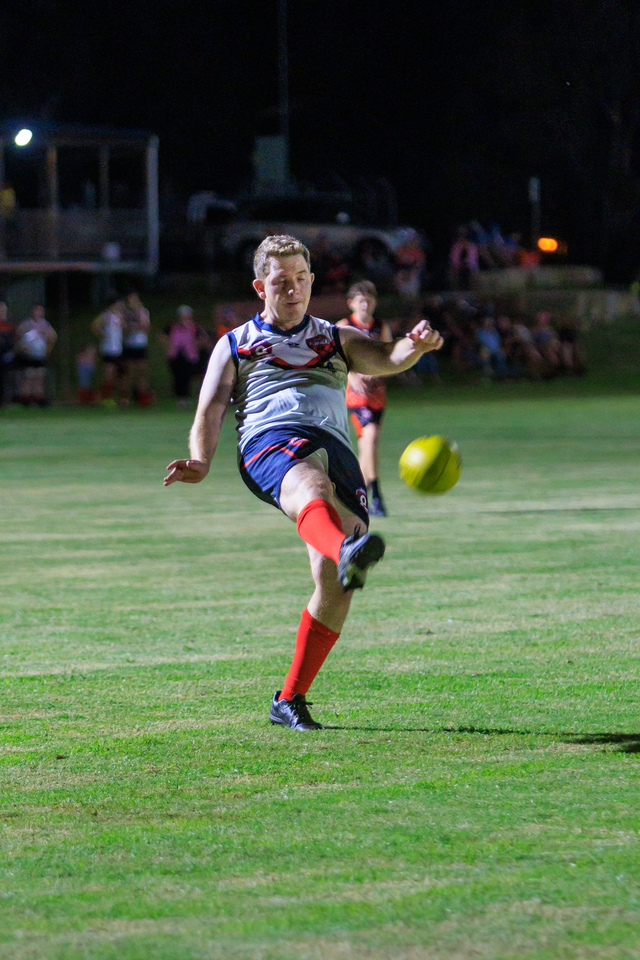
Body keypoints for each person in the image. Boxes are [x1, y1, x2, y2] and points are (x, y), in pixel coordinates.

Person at [164, 235, 443, 731]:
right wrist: (200, 459)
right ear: (260, 286)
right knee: (311, 491)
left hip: (335, 448)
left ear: (312, 282)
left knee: (334, 586)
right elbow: (209, 407)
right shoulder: (236, 344)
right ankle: (348, 550)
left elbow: (387, 357)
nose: (291, 289)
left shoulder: (335, 337)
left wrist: (415, 345)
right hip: (269, 442)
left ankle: (288, 698)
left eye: (300, 279)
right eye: (280, 281)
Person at [337, 281, 392, 517]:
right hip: (357, 398)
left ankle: (355, 496)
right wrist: (352, 375)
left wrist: (377, 370)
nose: (365, 304)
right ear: (351, 303)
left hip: (377, 395)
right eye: (361, 300)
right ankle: (377, 497)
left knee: (368, 448)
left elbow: (390, 357)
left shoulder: (381, 327)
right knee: (370, 438)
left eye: (369, 300)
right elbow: (336, 359)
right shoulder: (344, 326)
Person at [14, 304, 57, 406]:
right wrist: (22, 346)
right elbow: (18, 335)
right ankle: (25, 397)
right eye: (37, 310)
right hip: (29, 354)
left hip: (40, 354)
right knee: (29, 375)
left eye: (41, 311)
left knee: (39, 375)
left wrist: (48, 348)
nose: (39, 313)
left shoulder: (45, 324)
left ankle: (38, 397)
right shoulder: (27, 323)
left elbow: (53, 336)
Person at [161, 305, 202, 408]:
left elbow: (202, 338)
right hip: (175, 354)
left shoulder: (194, 326)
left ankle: (186, 397)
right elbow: (162, 335)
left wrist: (194, 345)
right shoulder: (173, 326)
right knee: (177, 376)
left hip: (189, 355)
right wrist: (169, 344)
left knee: (187, 376)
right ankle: (180, 397)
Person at [121, 292, 153, 406]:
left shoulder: (143, 311)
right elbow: (123, 328)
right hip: (129, 345)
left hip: (140, 345)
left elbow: (146, 327)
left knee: (142, 372)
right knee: (127, 373)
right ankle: (125, 398)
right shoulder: (124, 313)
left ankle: (143, 398)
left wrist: (136, 325)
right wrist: (132, 328)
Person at [91, 299, 125, 404]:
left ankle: (120, 397)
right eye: (118, 304)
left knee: (119, 374)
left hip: (118, 349)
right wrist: (103, 335)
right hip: (108, 349)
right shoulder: (106, 315)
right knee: (108, 372)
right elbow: (94, 326)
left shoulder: (120, 315)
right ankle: (107, 398)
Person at [0, 301, 15, 406]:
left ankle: (5, 400)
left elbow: (13, 341)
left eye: (4, 310)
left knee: (6, 378)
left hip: (6, 356)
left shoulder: (9, 325)